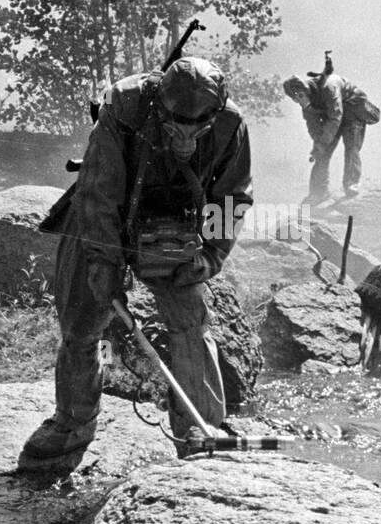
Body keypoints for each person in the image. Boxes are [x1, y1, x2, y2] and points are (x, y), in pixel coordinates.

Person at [22, 56, 253, 466]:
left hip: (173, 227)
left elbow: (231, 196)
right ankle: (73, 423)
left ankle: (200, 430)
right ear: (160, 107)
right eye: (174, 126)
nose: (185, 136)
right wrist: (102, 263)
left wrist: (211, 254)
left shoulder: (230, 125)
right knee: (80, 322)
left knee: (190, 323)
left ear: (214, 115)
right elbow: (98, 191)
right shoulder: (124, 106)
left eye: (196, 128)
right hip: (105, 216)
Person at [283, 65, 379, 204]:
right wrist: (318, 144)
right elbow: (313, 124)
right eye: (294, 99)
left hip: (352, 110)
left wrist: (323, 142)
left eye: (298, 97)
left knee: (351, 147)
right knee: (322, 151)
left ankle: (351, 183)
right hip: (333, 114)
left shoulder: (329, 86)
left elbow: (335, 117)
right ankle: (319, 192)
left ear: (302, 91)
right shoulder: (306, 100)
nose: (297, 101)